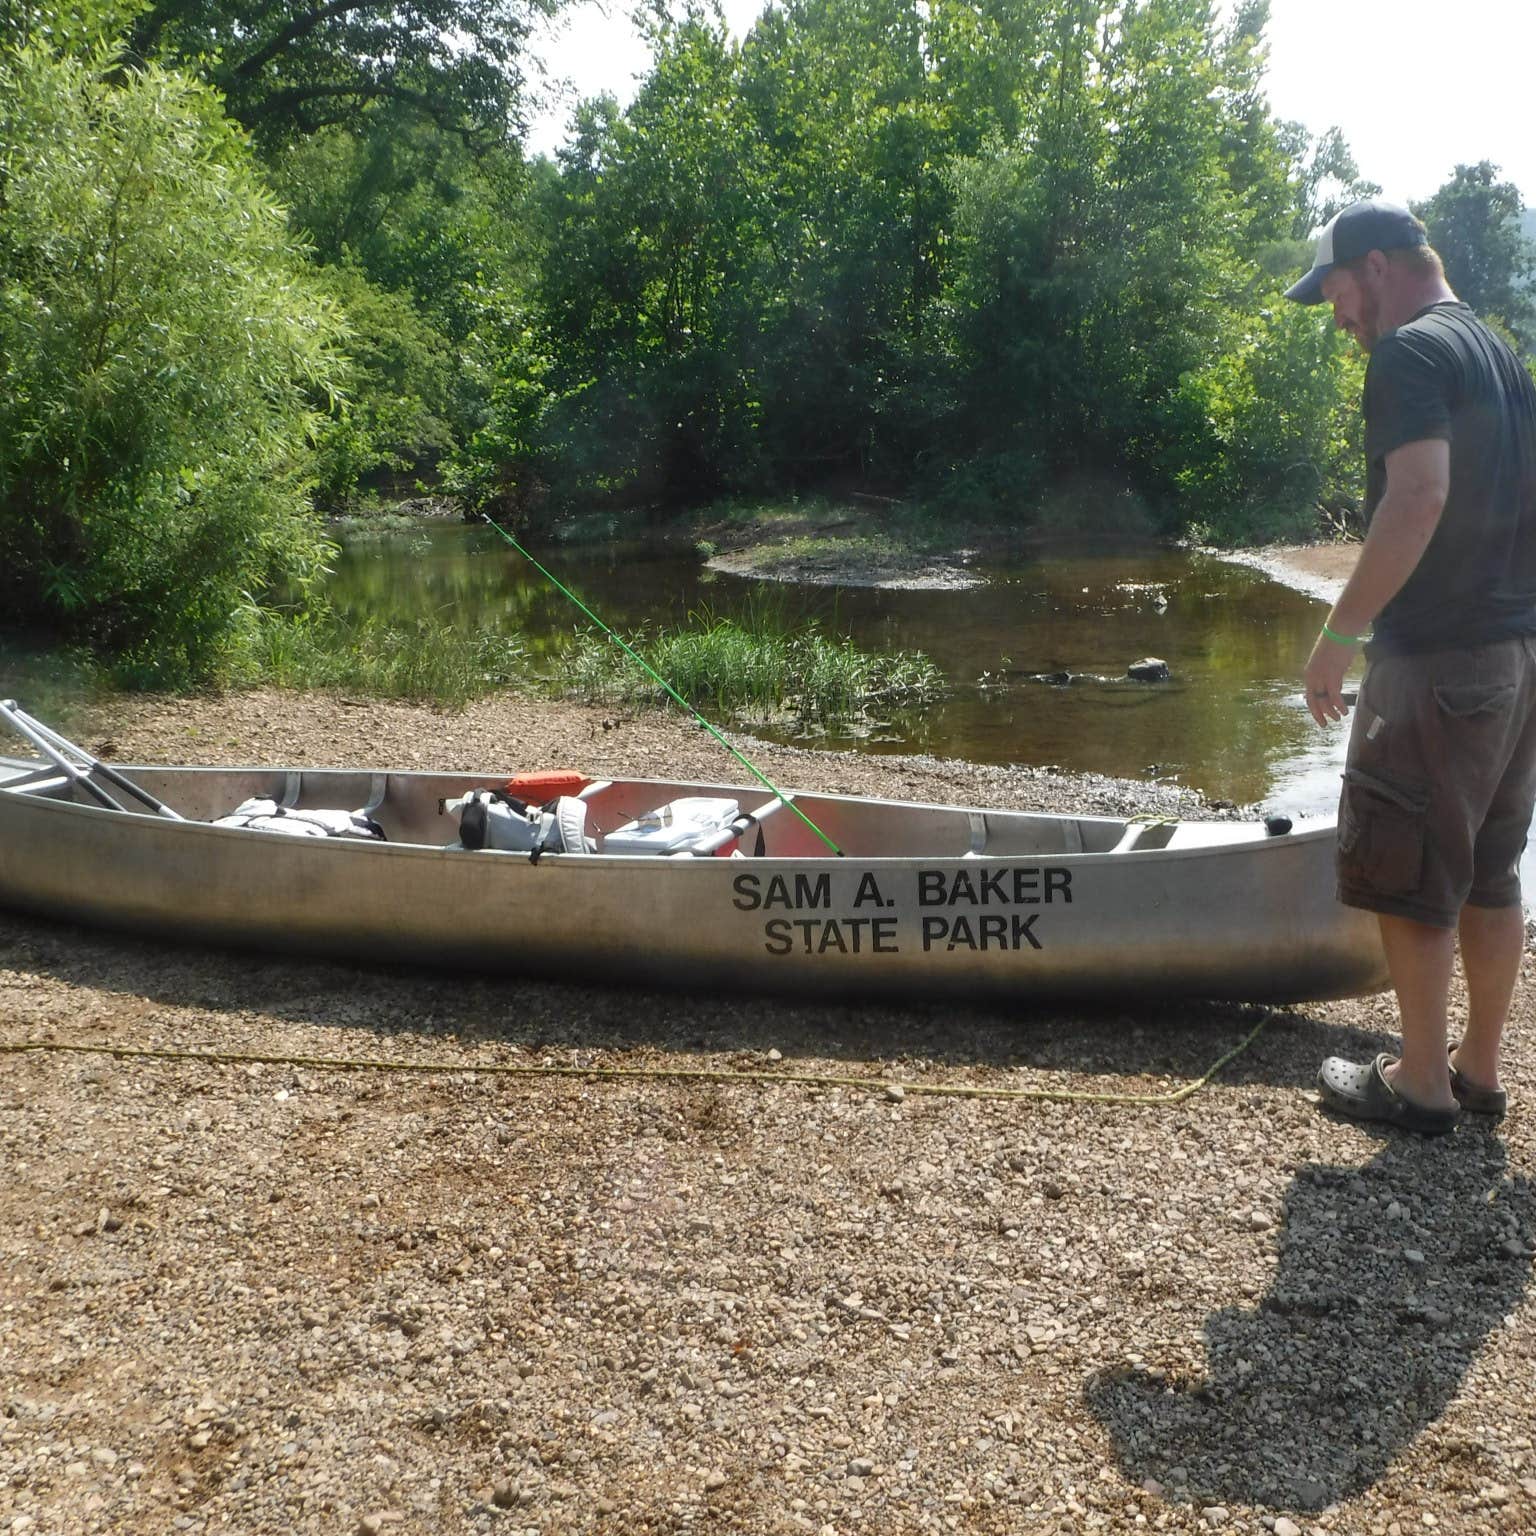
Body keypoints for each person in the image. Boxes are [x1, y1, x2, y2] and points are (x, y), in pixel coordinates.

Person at [1285, 198, 1536, 1134]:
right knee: (1492, 870)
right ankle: (1478, 1068)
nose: (1339, 315)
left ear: (1377, 267)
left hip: (1438, 661)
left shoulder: (1410, 353)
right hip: (1517, 657)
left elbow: (1418, 495)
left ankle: (1421, 1083)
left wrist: (1341, 634)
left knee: (1412, 865)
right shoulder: (1498, 352)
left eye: (1338, 291)